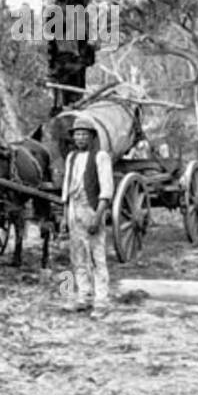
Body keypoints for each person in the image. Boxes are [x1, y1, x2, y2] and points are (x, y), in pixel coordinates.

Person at [60, 116, 114, 315]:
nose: (80, 138)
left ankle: (102, 301)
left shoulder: (101, 157)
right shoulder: (71, 157)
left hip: (91, 209)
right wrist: (65, 218)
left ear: (92, 137)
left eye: (84, 134)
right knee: (78, 257)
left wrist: (98, 216)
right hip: (74, 210)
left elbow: (106, 190)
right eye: (77, 134)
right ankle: (83, 296)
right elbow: (66, 189)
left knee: (97, 257)